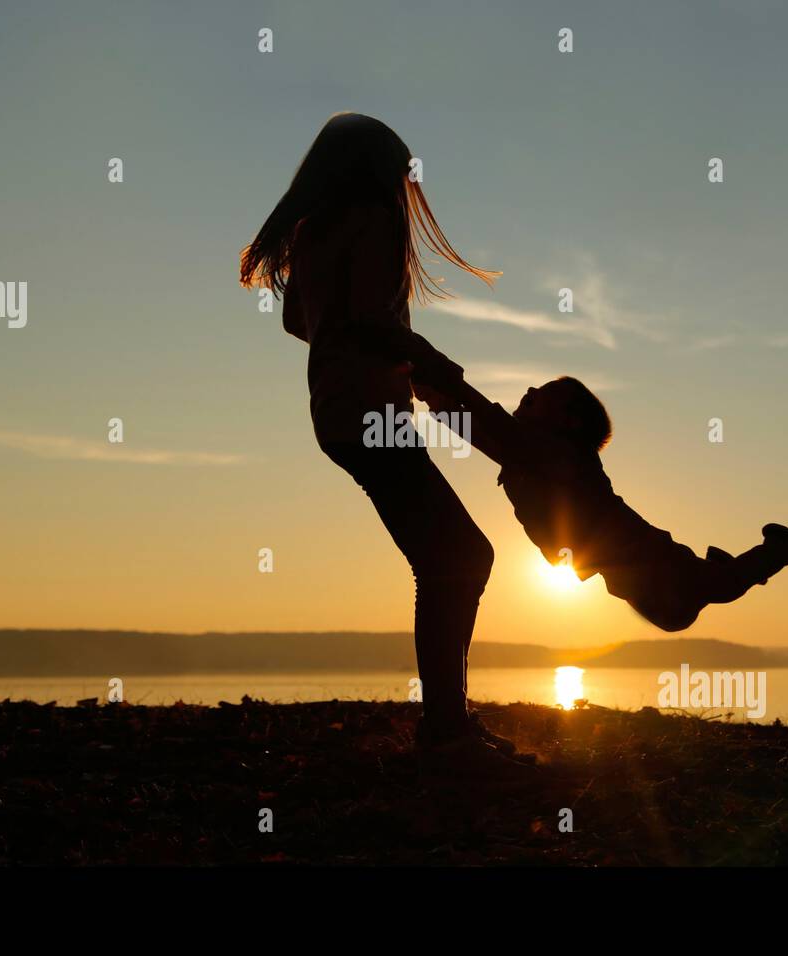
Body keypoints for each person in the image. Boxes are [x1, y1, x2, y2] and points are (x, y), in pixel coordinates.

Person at [239, 113, 533, 775]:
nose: (408, 187)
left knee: (453, 556)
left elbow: (298, 320)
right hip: (373, 413)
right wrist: (425, 359)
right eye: (403, 173)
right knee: (457, 556)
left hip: (337, 414)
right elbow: (372, 322)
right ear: (379, 171)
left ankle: (447, 726)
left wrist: (364, 349)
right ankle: (447, 733)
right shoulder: (373, 214)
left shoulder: (315, 229)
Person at [410, 371, 788, 632]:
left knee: (718, 588)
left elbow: (493, 425)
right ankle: (718, 566)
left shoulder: (564, 454)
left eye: (546, 391)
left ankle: (780, 547)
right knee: (675, 616)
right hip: (618, 572)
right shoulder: (524, 454)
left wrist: (450, 383)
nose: (532, 388)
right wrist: (433, 395)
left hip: (644, 553)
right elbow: (480, 432)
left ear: (568, 422)